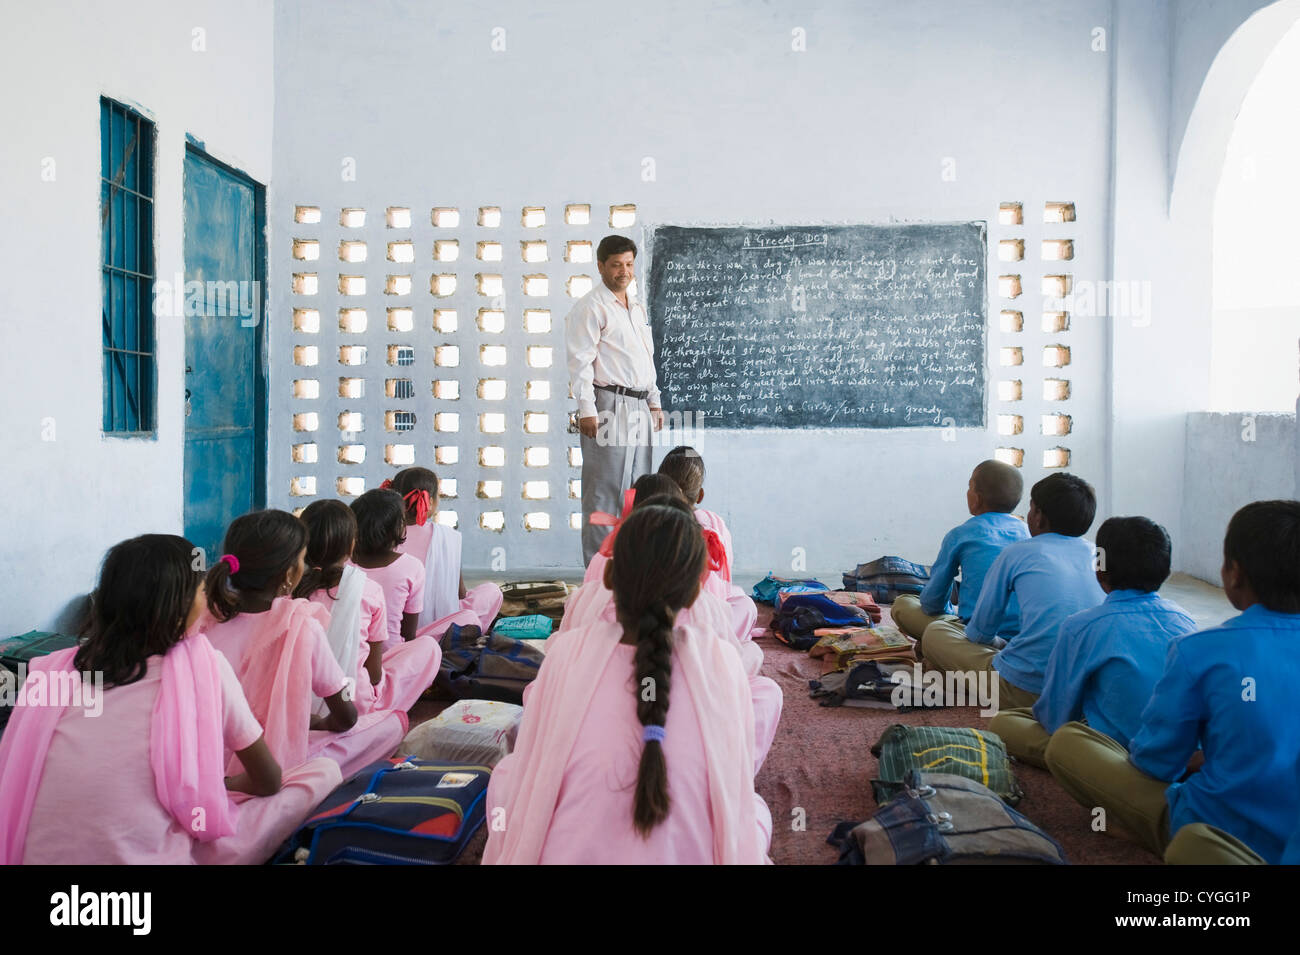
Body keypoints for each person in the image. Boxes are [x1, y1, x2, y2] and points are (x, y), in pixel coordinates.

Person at [0, 534, 341, 865]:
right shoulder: (204, 666)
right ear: (182, 604)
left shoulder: (54, 670)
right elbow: (268, 780)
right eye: (202, 589)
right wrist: (213, 785)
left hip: (32, 857)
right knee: (321, 772)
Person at [484, 504, 771, 864]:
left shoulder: (567, 654)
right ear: (696, 591)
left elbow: (533, 774)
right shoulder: (723, 662)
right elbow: (733, 789)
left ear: (608, 577)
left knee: (507, 775)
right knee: (755, 809)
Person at [1044, 500, 1300, 864]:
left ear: (1234, 573)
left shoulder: (1200, 650)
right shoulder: (1185, 622)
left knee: (1067, 743)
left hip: (1211, 829)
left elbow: (1156, 762)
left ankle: (1143, 827)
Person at [203, 510, 405, 780]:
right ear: (290, 573)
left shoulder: (203, 620)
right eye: (302, 558)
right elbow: (346, 716)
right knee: (392, 724)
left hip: (204, 764)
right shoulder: (301, 623)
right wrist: (318, 723)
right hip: (273, 770)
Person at [990, 516, 1196, 767]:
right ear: (1166, 570)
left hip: (1124, 759)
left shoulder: (1081, 626)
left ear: (1099, 569)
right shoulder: (1185, 620)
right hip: (1189, 754)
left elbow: (1055, 719)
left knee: (1005, 724)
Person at [921, 472, 1104, 710]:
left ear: (1039, 517)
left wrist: (1003, 646)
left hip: (1026, 687)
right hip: (1087, 691)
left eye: (1032, 508)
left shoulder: (1017, 552)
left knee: (935, 633)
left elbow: (979, 633)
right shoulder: (1097, 556)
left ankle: (959, 679)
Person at [565, 234, 664, 565]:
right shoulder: (591, 307)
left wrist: (654, 401)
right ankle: (598, 573)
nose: (624, 271)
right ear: (601, 266)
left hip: (639, 406)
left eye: (629, 264)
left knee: (640, 489)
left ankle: (632, 567)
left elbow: (644, 360)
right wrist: (586, 411)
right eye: (616, 265)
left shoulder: (635, 307)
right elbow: (579, 363)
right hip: (607, 404)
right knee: (605, 493)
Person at [296, 499, 440, 715]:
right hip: (354, 700)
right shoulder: (368, 589)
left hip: (299, 699)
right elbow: (374, 674)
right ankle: (381, 720)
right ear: (352, 544)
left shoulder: (288, 593)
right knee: (428, 648)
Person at [892, 460, 1028, 642]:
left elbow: (932, 603)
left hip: (977, 637)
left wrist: (950, 613)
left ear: (977, 498)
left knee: (903, 605)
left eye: (970, 487)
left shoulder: (961, 535)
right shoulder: (1029, 533)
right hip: (1024, 637)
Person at [389, 467, 502, 633]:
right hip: (442, 626)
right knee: (492, 591)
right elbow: (461, 594)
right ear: (432, 502)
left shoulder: (384, 534)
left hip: (396, 626)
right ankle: (456, 636)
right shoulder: (448, 537)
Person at [350, 488, 425, 649]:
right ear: (398, 527)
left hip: (351, 655)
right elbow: (409, 634)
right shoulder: (412, 566)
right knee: (429, 646)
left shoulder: (343, 563)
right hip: (391, 656)